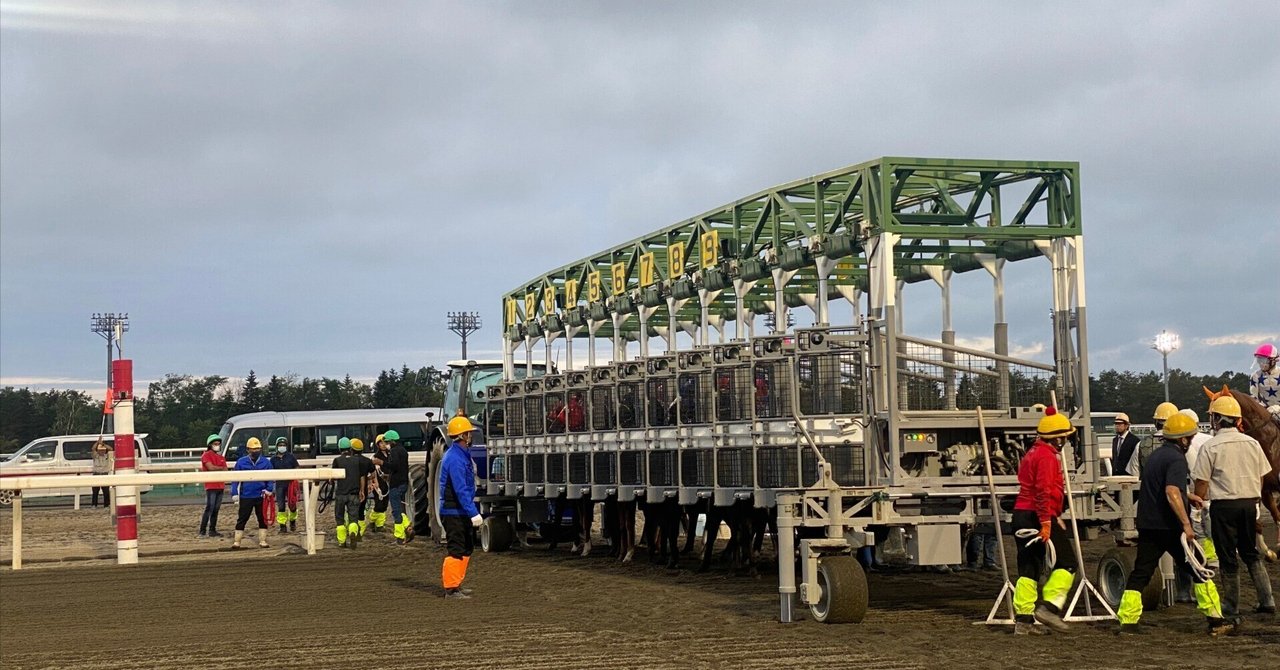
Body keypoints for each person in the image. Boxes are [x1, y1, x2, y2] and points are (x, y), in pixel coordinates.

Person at [1115, 413, 1226, 635]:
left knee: (1141, 573)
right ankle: (1216, 618)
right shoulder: (1177, 459)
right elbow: (1171, 491)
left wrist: (1188, 496)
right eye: (1191, 438)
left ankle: (1128, 621)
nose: (1191, 441)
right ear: (1182, 440)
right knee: (1199, 570)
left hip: (1148, 524)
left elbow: (1163, 488)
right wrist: (1186, 524)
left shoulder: (1157, 455)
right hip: (1170, 527)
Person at [1191, 393, 1276, 633]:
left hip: (1224, 507)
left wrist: (1198, 500)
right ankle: (1267, 601)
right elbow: (1261, 477)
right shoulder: (1252, 444)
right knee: (1252, 554)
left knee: (1228, 558)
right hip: (1249, 504)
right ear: (1238, 420)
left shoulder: (1211, 446)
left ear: (1217, 419)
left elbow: (1201, 483)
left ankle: (1231, 607)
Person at [1011, 407, 1077, 634]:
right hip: (1037, 516)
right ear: (1058, 438)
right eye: (1066, 437)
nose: (1067, 440)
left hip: (1021, 513)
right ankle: (1049, 608)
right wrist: (1047, 521)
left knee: (1029, 568)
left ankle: (1023, 621)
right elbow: (1043, 491)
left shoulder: (1032, 452)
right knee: (1067, 563)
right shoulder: (1047, 457)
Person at [439, 416, 482, 599]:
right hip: (453, 511)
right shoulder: (455, 458)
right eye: (469, 433)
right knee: (456, 549)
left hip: (459, 510)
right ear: (463, 435)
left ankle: (456, 583)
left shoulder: (460, 454)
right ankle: (451, 589)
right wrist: (473, 512)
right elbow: (460, 489)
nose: (470, 436)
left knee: (466, 548)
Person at [1180, 409, 1217, 568]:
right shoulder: (1210, 439)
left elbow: (1193, 471)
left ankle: (1204, 555)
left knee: (1198, 524)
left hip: (1197, 487)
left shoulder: (1185, 441)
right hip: (1215, 487)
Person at [229, 437, 274, 549]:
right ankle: (237, 541)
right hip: (246, 496)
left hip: (261, 495)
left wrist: (269, 489)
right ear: (248, 449)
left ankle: (263, 540)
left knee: (262, 518)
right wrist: (234, 493)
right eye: (253, 449)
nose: (255, 451)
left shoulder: (266, 462)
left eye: (257, 449)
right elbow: (235, 479)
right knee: (242, 518)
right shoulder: (241, 462)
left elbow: (272, 478)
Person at [381, 430, 413, 545]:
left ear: (392, 441)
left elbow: (394, 466)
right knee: (398, 508)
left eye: (387, 442)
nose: (386, 445)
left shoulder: (394, 451)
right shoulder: (404, 451)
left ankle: (400, 535)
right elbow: (400, 467)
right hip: (403, 482)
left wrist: (381, 463)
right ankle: (407, 527)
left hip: (396, 484)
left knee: (396, 510)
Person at [332, 437, 364, 549]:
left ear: (340, 448)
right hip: (354, 493)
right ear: (350, 448)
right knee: (353, 518)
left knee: (340, 518)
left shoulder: (337, 460)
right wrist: (361, 490)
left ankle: (342, 542)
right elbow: (361, 476)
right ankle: (353, 532)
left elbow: (332, 478)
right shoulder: (356, 460)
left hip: (341, 494)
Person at [198, 434, 228, 538]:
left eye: (218, 444)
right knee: (209, 508)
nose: (217, 446)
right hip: (211, 486)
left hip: (220, 486)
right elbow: (210, 468)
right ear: (210, 445)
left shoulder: (221, 457)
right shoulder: (206, 455)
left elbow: (225, 470)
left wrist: (219, 468)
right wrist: (221, 468)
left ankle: (212, 530)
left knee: (216, 509)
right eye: (215, 444)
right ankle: (202, 530)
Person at [270, 437, 300, 534]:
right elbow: (270, 471)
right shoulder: (273, 459)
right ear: (276, 446)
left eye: (283, 445)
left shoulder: (291, 457)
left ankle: (292, 522)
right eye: (280, 445)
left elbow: (297, 468)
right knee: (281, 506)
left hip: (290, 484)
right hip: (279, 485)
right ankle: (282, 526)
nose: (282, 447)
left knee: (292, 505)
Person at [1250, 343, 1280, 422]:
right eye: (1259, 360)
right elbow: (1254, 397)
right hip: (1264, 414)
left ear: (1273, 361)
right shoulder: (1255, 376)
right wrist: (1261, 408)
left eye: (1263, 360)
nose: (1261, 363)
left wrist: (1278, 408)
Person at [351, 438, 374, 537]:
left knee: (351, 511)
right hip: (363, 489)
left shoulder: (349, 461)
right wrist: (367, 478)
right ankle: (360, 532)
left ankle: (352, 531)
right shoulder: (367, 461)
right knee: (361, 511)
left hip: (350, 488)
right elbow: (373, 475)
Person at [368, 434, 391, 533]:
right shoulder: (375, 457)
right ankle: (375, 522)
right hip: (379, 483)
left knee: (385, 504)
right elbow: (372, 471)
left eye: (385, 442)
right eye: (381, 443)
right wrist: (373, 482)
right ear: (378, 444)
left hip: (388, 483)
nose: (383, 445)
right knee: (379, 504)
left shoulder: (390, 455)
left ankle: (377, 523)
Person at [1111, 413, 1141, 478]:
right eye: (1116, 424)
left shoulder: (1134, 440)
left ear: (1126, 425)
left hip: (1128, 476)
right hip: (1116, 476)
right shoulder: (1115, 440)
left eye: (1120, 424)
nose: (1117, 426)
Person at [90, 439, 113, 508]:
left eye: (103, 450)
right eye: (100, 450)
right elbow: (93, 448)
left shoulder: (107, 456)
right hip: (96, 474)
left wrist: (103, 444)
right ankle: (94, 505)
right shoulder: (95, 456)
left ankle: (106, 505)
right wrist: (98, 442)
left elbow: (111, 449)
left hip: (104, 474)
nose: (102, 451)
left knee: (106, 491)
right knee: (95, 491)